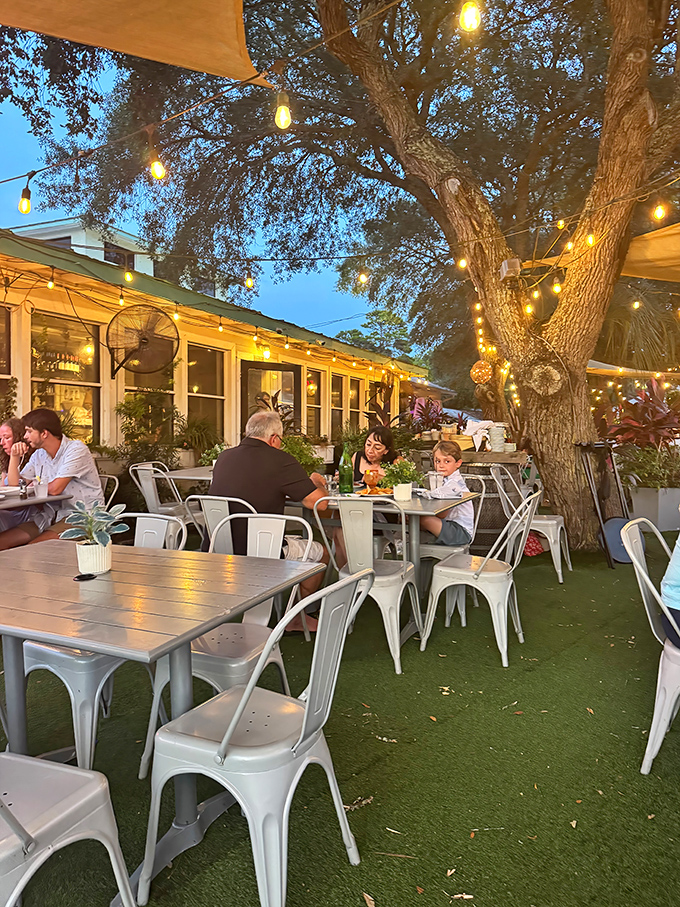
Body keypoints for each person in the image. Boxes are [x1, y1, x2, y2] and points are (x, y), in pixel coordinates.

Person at [208, 411, 330, 629]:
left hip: (219, 549)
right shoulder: (280, 461)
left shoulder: (224, 458)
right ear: (274, 438)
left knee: (285, 539)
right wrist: (316, 481)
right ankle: (295, 617)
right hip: (261, 554)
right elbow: (319, 503)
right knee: (322, 553)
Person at [0, 408, 104, 550]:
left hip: (80, 517)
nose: (25, 436)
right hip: (47, 517)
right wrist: (14, 456)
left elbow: (56, 489)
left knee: (30, 549)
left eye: (29, 431)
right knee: (2, 542)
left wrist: (31, 487)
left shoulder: (76, 449)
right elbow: (14, 485)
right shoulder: (39, 455)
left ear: (44, 433)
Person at [420, 440, 474, 547]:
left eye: (447, 461)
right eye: (437, 461)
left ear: (458, 463)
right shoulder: (442, 480)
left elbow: (441, 513)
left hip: (460, 532)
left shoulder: (453, 484)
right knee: (415, 520)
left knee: (424, 519)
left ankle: (405, 545)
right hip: (449, 524)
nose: (441, 465)